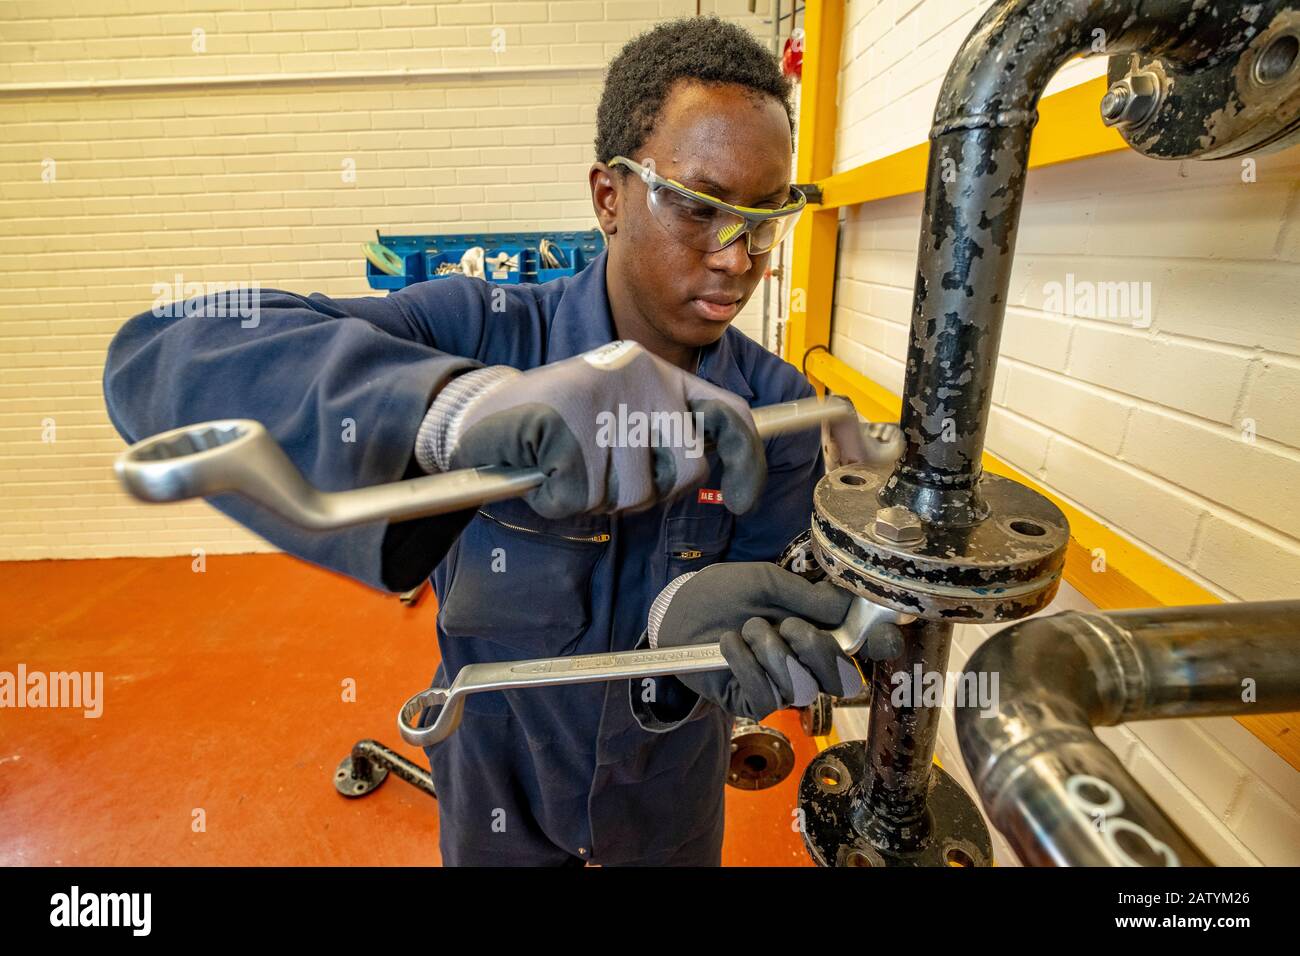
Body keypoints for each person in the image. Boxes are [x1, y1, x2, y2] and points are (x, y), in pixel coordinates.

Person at [103, 16, 867, 866]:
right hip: (497, 793)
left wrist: (682, 638)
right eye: (700, 207)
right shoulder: (477, 330)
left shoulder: (777, 409)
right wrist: (461, 410)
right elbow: (162, 351)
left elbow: (750, 612)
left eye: (765, 219)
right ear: (609, 197)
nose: (739, 258)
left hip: (665, 808)